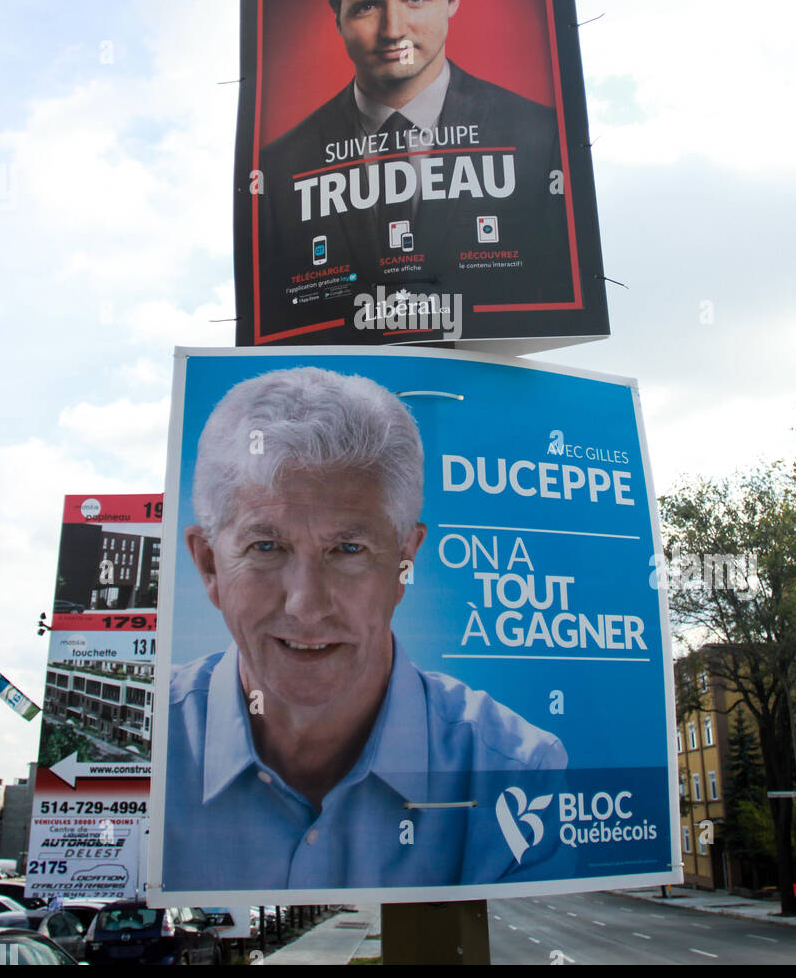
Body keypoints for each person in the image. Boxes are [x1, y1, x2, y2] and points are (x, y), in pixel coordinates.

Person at [163, 367, 568, 890]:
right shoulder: (139, 749)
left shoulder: (519, 773)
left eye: (348, 549)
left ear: (405, 563)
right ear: (209, 566)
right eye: (267, 547)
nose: (307, 607)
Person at [255, 0, 574, 342]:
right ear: (337, 19)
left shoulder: (542, 135)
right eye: (367, 7)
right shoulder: (279, 167)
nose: (393, 30)